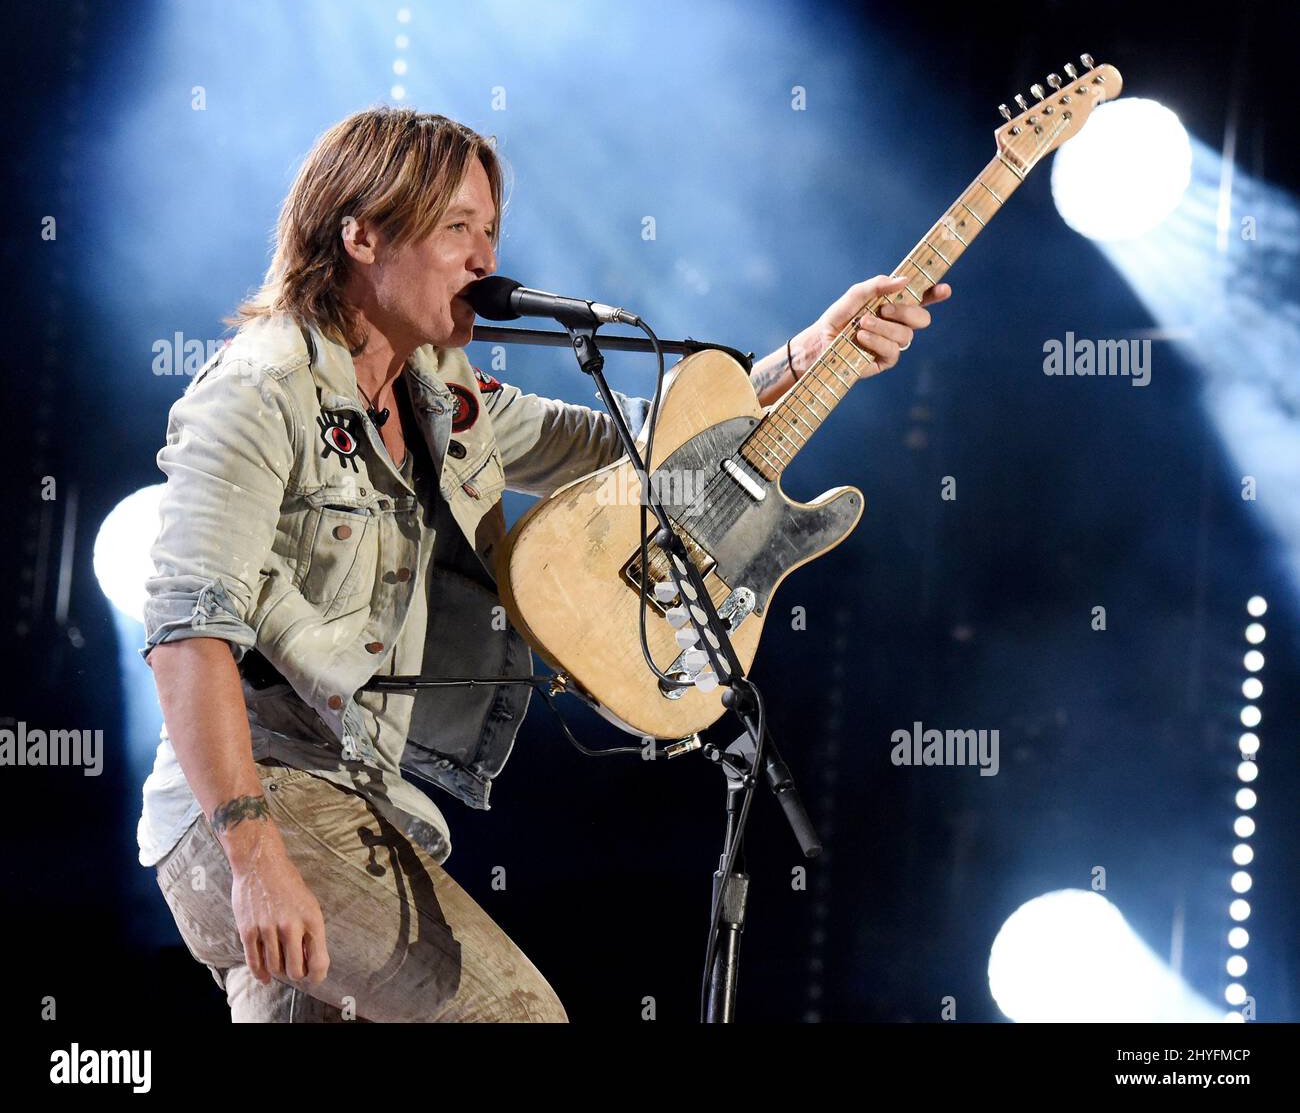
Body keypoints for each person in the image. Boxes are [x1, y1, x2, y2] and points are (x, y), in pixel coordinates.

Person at [138, 105, 949, 1023]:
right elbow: (185, 631)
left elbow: (630, 457)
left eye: (491, 230)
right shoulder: (259, 390)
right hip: (267, 805)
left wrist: (810, 354)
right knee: (518, 1015)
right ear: (360, 233)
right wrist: (255, 857)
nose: (486, 259)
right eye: (457, 228)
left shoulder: (444, 390)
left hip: (371, 814)